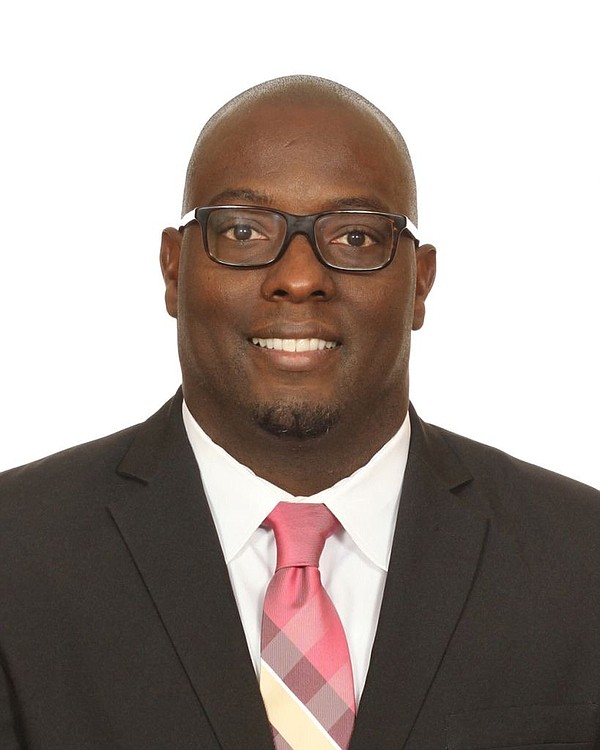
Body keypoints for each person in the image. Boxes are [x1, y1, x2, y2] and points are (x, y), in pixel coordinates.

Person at [1, 75, 599, 750]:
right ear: (173, 270)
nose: (299, 278)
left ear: (420, 283)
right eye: (244, 230)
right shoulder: (16, 555)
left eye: (356, 237)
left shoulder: (582, 563)